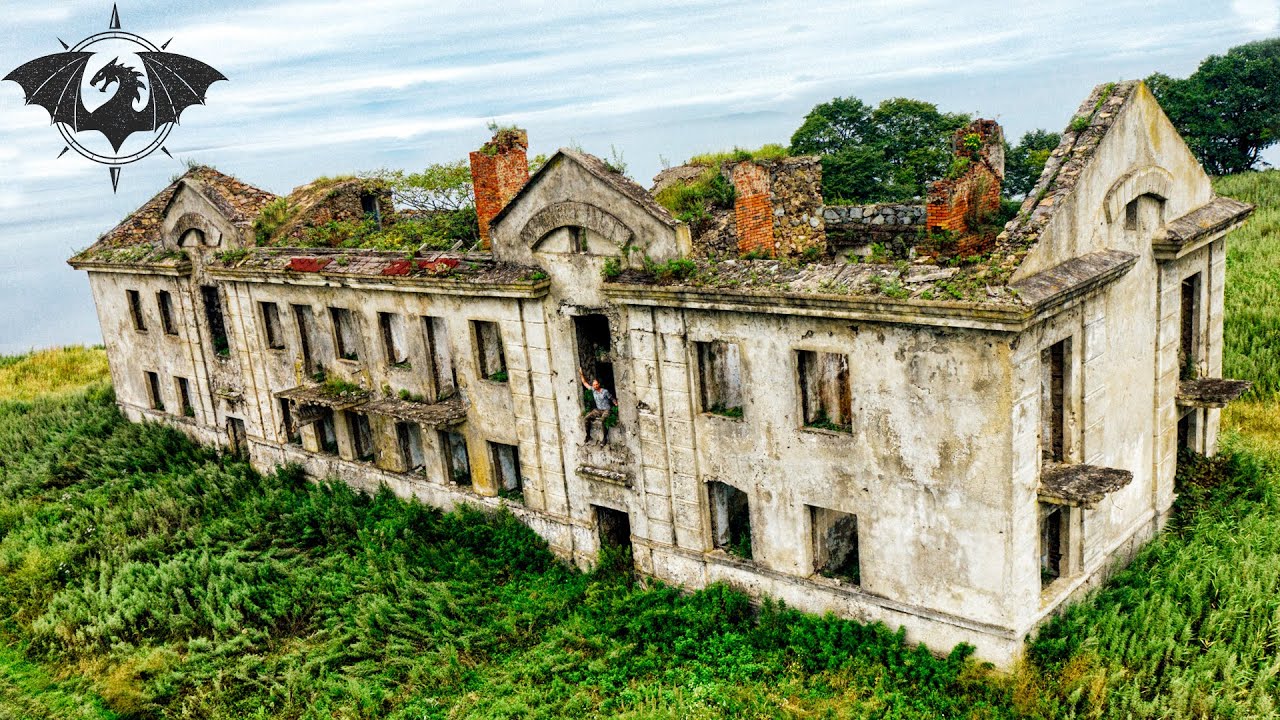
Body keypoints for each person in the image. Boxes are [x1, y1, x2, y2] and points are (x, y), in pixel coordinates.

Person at [579, 368, 616, 445]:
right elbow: (584, 383)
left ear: (599, 384)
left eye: (596, 384)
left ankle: (604, 439)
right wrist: (581, 374)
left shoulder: (605, 391)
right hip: (598, 410)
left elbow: (611, 397)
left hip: (606, 409)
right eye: (594, 385)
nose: (595, 386)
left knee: (603, 420)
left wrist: (615, 403)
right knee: (586, 418)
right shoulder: (593, 390)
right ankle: (588, 435)